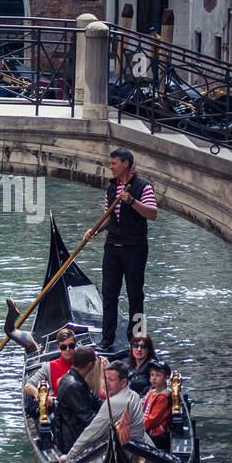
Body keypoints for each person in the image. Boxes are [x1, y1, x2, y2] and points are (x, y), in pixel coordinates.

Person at [83, 148, 157, 352]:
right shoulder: (112, 188)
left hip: (135, 248)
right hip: (112, 247)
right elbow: (108, 216)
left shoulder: (143, 187)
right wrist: (94, 230)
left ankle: (138, 338)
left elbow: (152, 214)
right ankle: (107, 340)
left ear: (126, 164)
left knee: (135, 295)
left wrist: (132, 201)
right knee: (109, 294)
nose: (110, 166)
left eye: (114, 163)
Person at [60, 361, 151, 463]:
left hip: (130, 458)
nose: (106, 383)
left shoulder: (113, 403)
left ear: (123, 383)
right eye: (105, 379)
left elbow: (91, 433)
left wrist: (69, 456)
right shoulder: (134, 395)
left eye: (111, 380)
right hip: (142, 451)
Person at [23, 326, 107, 412]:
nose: (68, 350)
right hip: (60, 410)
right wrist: (43, 397)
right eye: (63, 347)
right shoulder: (49, 367)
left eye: (71, 346)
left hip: (85, 407)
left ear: (75, 345)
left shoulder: (86, 362)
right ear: (58, 347)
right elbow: (28, 386)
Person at [51, 346, 104, 454]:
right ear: (90, 364)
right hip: (73, 440)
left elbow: (95, 400)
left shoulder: (74, 378)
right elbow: (87, 418)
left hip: (74, 432)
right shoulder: (73, 385)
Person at [141, 360, 174, 452]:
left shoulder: (163, 398)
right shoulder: (152, 392)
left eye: (158, 375)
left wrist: (135, 426)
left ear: (166, 378)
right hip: (145, 427)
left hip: (156, 435)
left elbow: (152, 420)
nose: (154, 378)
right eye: (152, 375)